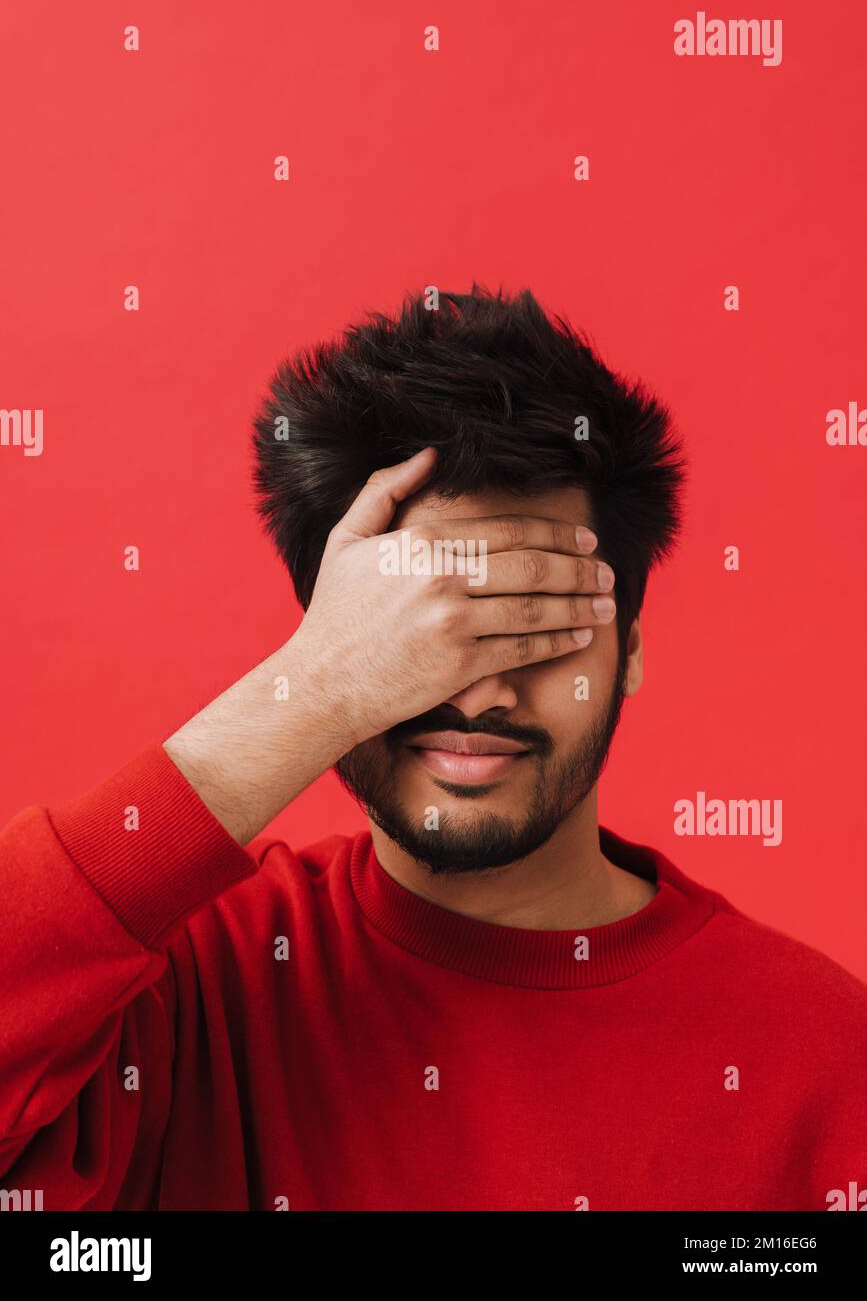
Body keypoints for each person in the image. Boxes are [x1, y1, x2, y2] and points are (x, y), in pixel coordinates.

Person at [1, 284, 865, 1212]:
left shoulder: (814, 1050)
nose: (478, 691)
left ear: (632, 653)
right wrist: (314, 692)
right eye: (420, 631)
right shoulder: (183, 987)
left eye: (540, 622)